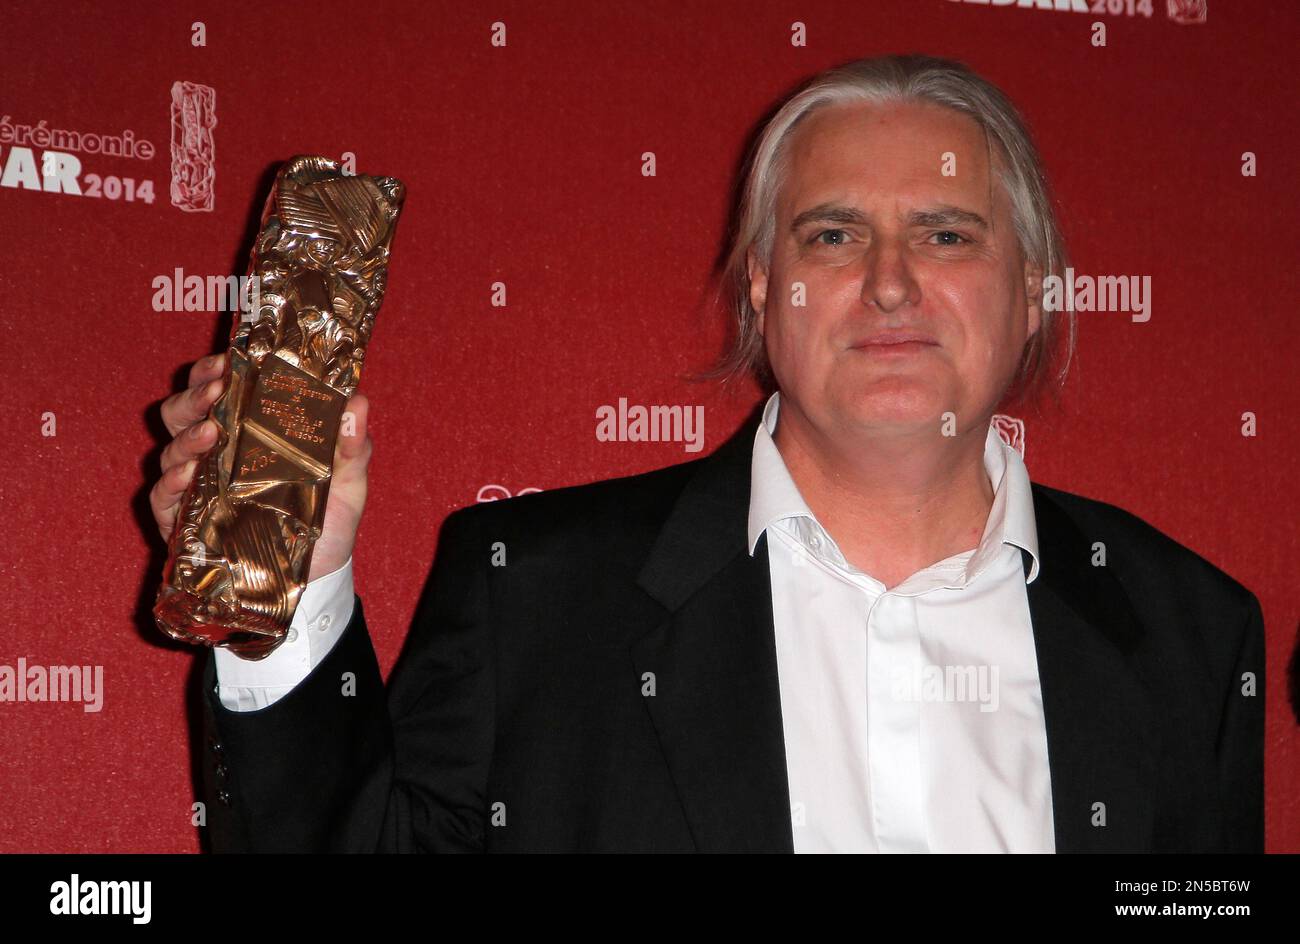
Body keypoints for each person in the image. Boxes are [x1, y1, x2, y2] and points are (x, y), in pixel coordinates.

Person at [149, 54, 1264, 853]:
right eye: (831, 234)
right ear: (760, 292)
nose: (888, 281)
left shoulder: (1191, 635)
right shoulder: (530, 594)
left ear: (1031, 295)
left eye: (945, 232)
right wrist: (280, 592)